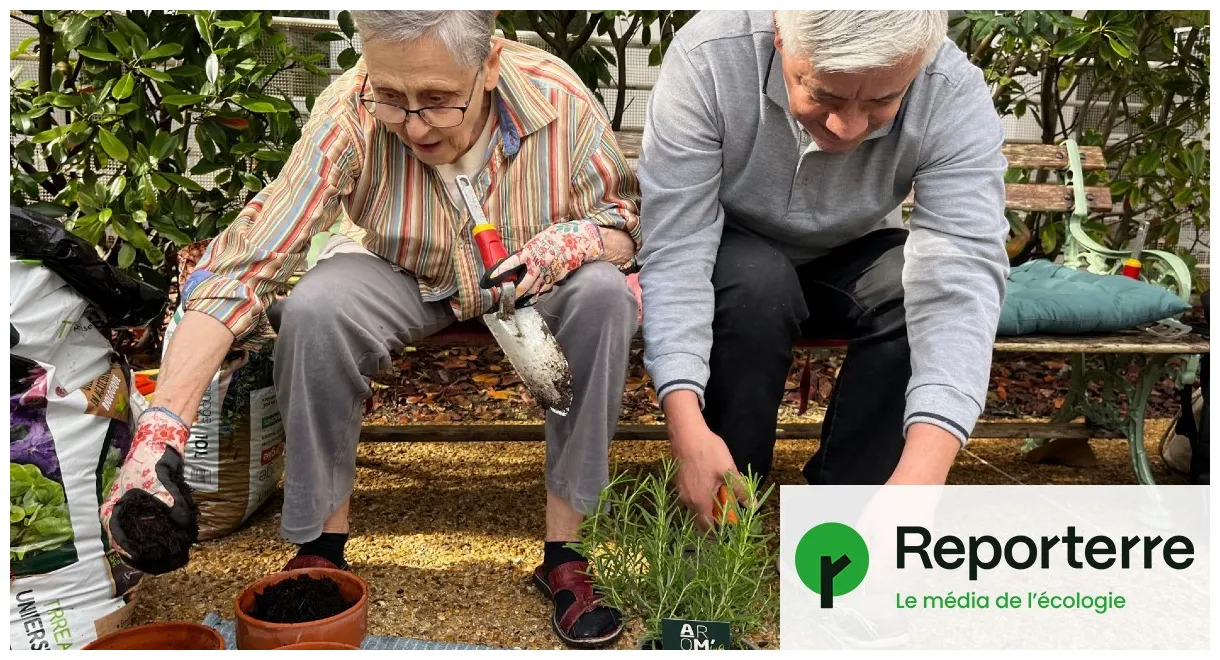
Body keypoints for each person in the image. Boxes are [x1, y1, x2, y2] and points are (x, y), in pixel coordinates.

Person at [100, 10, 639, 648]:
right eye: (392, 98)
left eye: (437, 101)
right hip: (405, 267)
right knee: (316, 309)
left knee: (604, 297)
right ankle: (319, 545)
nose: (413, 126)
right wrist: (161, 429)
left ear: (489, 64)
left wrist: (577, 242)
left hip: (536, 271)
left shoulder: (560, 99)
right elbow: (244, 265)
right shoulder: (347, 112)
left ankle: (567, 553)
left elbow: (625, 221)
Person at [637, 10, 1009, 522]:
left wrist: (920, 476)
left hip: (854, 250)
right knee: (756, 289)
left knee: (909, 288)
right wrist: (686, 431)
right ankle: (720, 513)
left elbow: (960, 269)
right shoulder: (709, 56)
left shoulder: (950, 87)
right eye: (823, 95)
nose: (846, 127)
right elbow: (677, 249)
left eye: (882, 101)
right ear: (780, 37)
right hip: (735, 251)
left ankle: (850, 520)